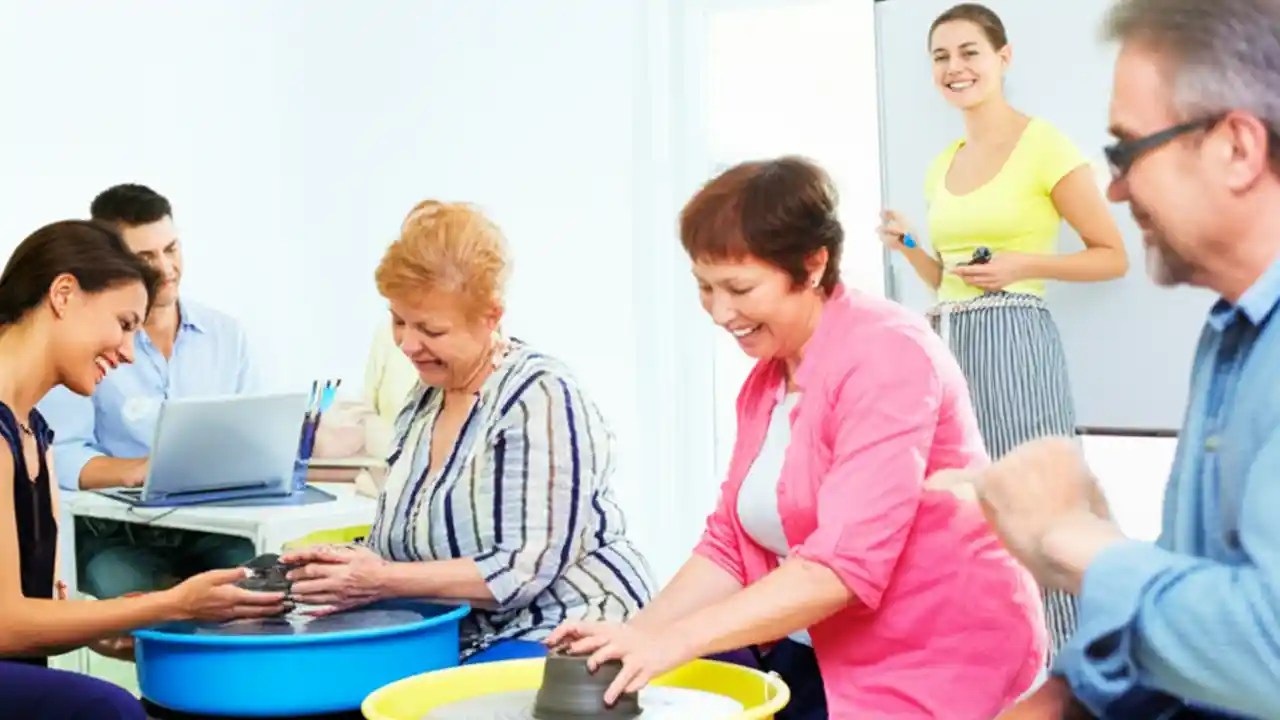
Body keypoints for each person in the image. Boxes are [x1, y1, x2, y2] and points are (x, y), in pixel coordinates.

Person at [547, 158, 1046, 719]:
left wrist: (674, 642)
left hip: (938, 652)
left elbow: (843, 566)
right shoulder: (767, 378)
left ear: (812, 266)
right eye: (704, 287)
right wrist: (631, 636)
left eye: (738, 288)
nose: (718, 311)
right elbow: (732, 547)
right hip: (824, 650)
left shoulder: (887, 355)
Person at [933, 1, 1280, 717]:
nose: (1116, 188)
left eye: (1125, 152)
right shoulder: (1231, 338)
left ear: (1238, 149)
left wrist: (1074, 540)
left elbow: (1267, 650)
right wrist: (1068, 694)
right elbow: (1199, 588)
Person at [282, 200, 656, 663]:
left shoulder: (539, 396)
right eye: (398, 321)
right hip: (462, 634)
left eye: (431, 330)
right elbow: (402, 544)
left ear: (491, 317)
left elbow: (520, 571)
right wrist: (339, 562)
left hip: (568, 630)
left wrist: (379, 579)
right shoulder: (425, 400)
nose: (407, 344)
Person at [877, 1, 1128, 662]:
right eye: (940, 56)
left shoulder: (1043, 144)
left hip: (1017, 336)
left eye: (968, 52)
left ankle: (1077, 667)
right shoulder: (944, 163)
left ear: (1003, 58)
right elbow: (950, 280)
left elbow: (1111, 254)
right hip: (953, 344)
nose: (954, 68)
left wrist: (1024, 264)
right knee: (970, 511)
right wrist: (907, 245)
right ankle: (1004, 662)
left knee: (1043, 508)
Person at [0, 219, 286, 720]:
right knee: (109, 708)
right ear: (64, 294)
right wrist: (169, 604)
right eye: (125, 323)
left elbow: (34, 617)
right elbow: (5, 624)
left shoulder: (35, 435)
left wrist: (119, 623)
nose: (129, 351)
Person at [38, 184, 260, 599]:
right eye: (146, 258)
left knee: (261, 589)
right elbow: (61, 453)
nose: (167, 267)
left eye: (172, 249)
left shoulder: (226, 335)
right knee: (141, 598)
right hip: (118, 538)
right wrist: (141, 468)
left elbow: (253, 433)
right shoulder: (84, 341)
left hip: (218, 529)